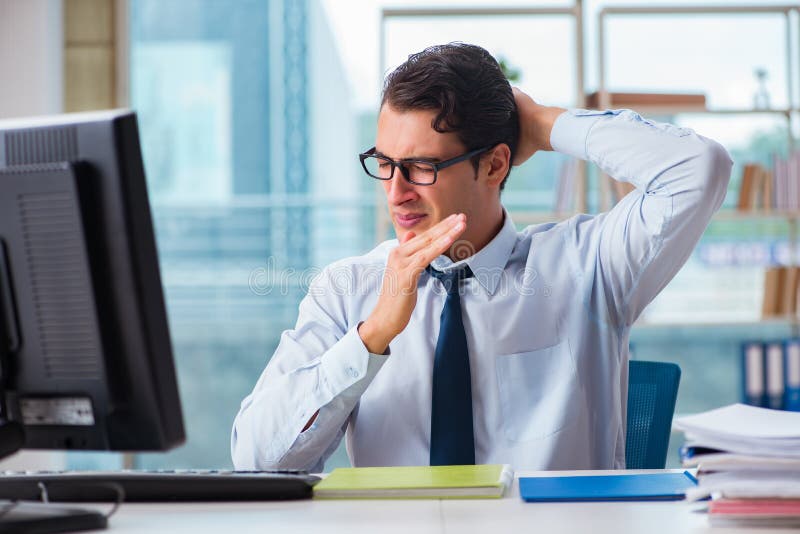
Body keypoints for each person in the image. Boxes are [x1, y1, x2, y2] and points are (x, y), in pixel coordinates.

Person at [231, 43, 732, 472]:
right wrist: (371, 337)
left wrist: (540, 123)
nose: (396, 193)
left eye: (421, 167)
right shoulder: (348, 291)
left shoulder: (588, 267)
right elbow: (256, 460)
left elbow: (698, 167)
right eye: (385, 164)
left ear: (494, 165)